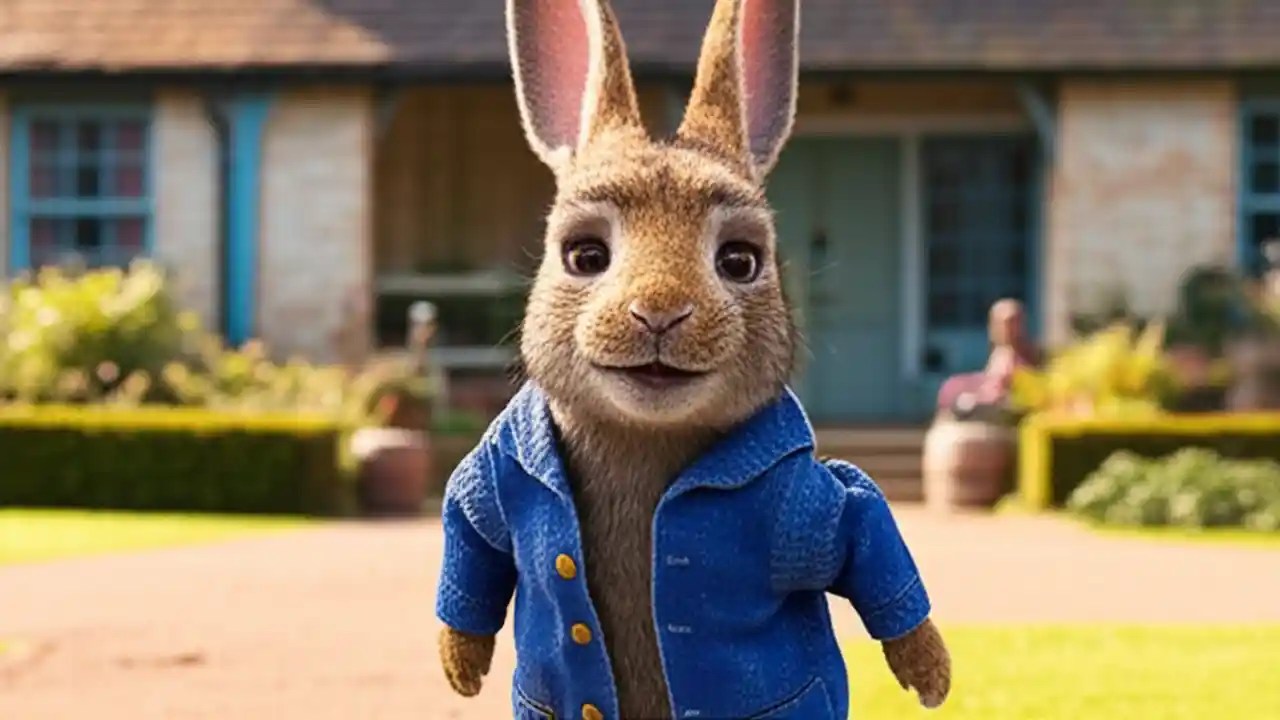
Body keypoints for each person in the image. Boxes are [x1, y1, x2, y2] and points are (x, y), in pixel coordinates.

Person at [936, 299, 1040, 417]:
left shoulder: (1026, 355)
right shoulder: (1000, 352)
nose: (1006, 328)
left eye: (1012, 323)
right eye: (1000, 323)